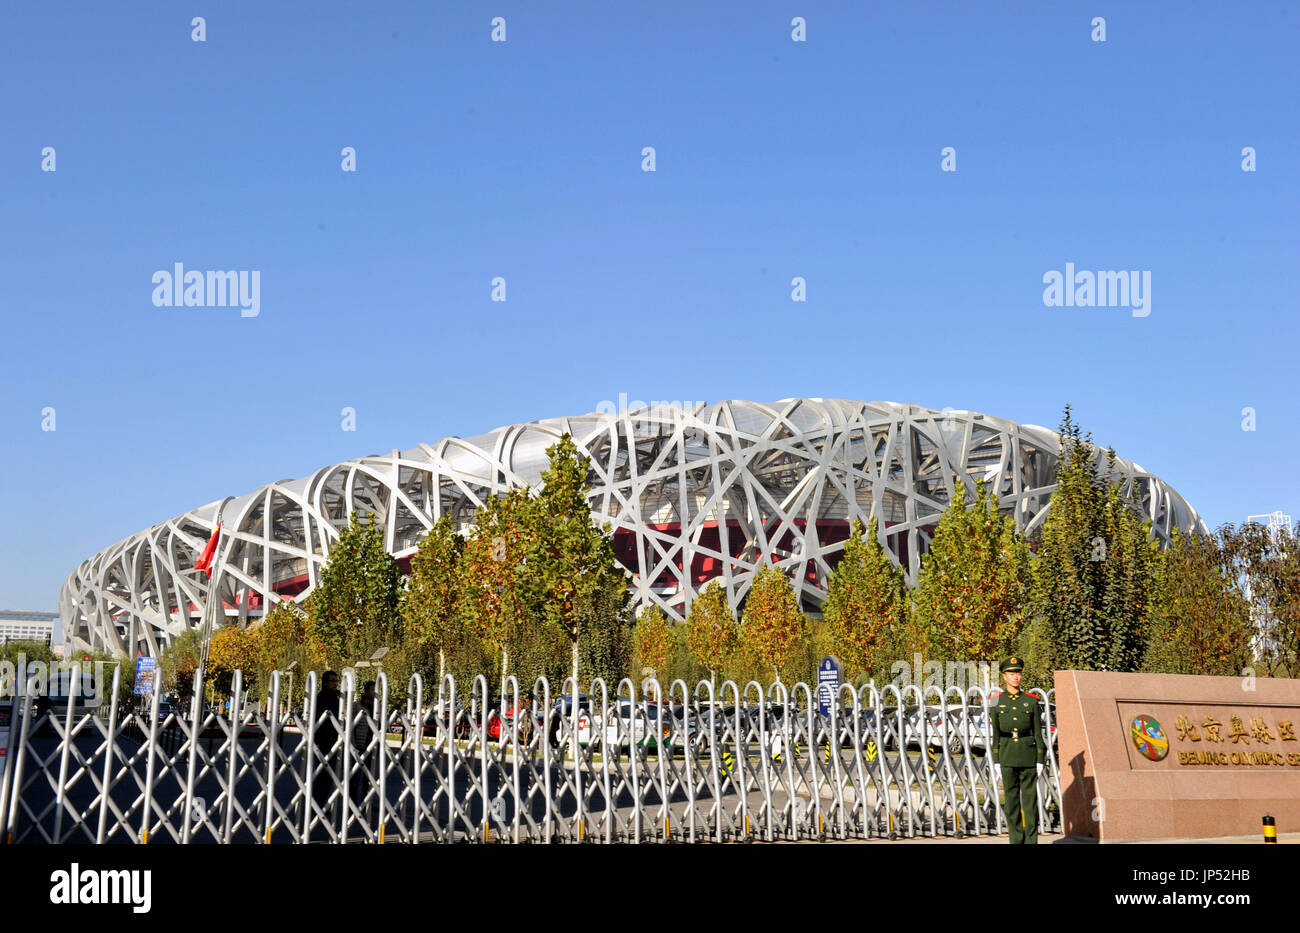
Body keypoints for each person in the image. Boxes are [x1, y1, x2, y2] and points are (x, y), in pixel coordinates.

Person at [990, 656, 1044, 844]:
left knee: (1030, 803)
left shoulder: (1031, 701)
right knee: (1011, 803)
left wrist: (1040, 758)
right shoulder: (996, 702)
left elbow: (1038, 733)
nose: (1015, 677)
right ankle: (1015, 840)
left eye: (1018, 673)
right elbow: (995, 734)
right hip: (1006, 755)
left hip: (1028, 754)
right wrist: (996, 759)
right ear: (1004, 676)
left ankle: (1031, 841)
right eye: (1011, 673)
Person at [311, 671, 342, 824]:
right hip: (323, 741)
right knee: (321, 775)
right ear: (324, 682)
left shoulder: (335, 698)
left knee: (328, 776)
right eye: (332, 681)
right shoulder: (321, 698)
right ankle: (316, 805)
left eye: (336, 680)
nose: (335, 683)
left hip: (333, 740)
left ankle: (321, 803)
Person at [350, 681, 377, 813]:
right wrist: (353, 745)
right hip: (359, 746)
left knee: (369, 777)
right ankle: (352, 804)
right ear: (366, 691)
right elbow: (350, 726)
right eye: (373, 690)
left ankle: (367, 802)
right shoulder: (356, 706)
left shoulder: (378, 707)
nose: (375, 692)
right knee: (355, 777)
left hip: (371, 746)